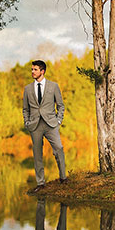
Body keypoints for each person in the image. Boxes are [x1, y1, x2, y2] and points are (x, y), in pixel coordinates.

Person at [22, 59, 67, 187]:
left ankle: (63, 178)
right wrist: (27, 122)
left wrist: (58, 121)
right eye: (32, 69)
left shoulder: (54, 86)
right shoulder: (27, 89)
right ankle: (40, 183)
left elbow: (60, 105)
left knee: (59, 149)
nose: (32, 72)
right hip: (35, 125)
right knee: (37, 155)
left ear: (42, 71)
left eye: (35, 69)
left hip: (51, 124)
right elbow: (25, 109)